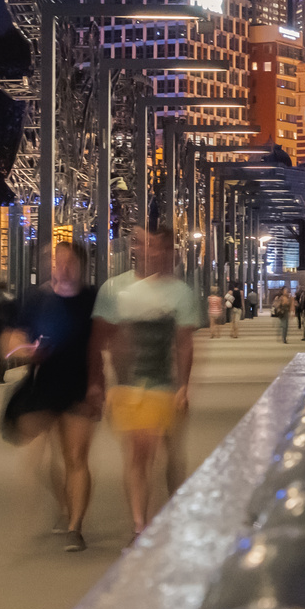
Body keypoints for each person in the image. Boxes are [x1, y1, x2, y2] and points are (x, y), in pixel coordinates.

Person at [91, 228, 197, 539]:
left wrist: (185, 385)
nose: (152, 253)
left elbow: (184, 343)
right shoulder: (114, 289)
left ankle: (173, 510)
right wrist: (102, 383)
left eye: (160, 248)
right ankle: (140, 524)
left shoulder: (181, 293)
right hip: (129, 386)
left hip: (166, 384)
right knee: (139, 454)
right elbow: (103, 338)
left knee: (170, 453)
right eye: (146, 245)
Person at [7, 242, 99, 552]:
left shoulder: (91, 299)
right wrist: (27, 351)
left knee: (76, 457)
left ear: (81, 266)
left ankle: (76, 526)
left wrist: (98, 386)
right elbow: (15, 336)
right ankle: (64, 505)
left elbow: (99, 346)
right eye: (58, 262)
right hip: (44, 385)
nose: (63, 267)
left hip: (80, 386)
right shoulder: (37, 299)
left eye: (70, 262)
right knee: (40, 458)